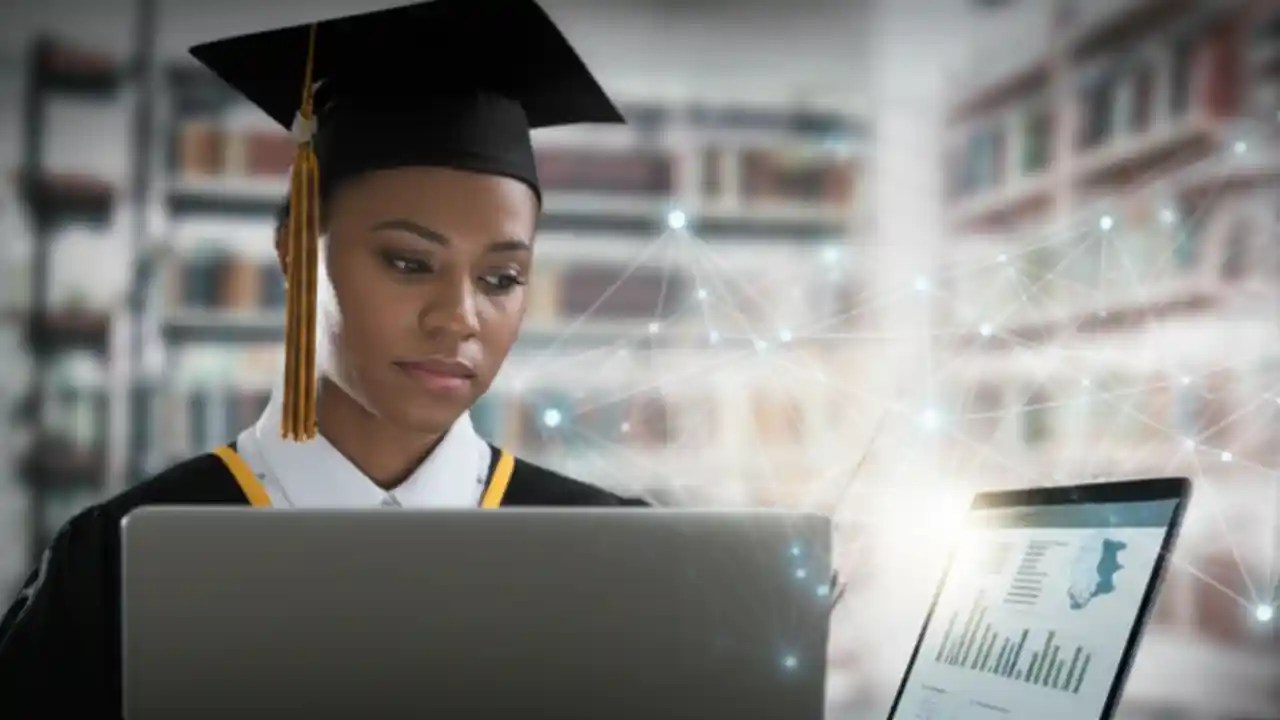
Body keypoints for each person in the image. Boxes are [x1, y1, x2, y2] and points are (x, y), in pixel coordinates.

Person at [0, 0, 648, 713]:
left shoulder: (614, 555)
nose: (459, 317)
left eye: (501, 279)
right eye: (408, 262)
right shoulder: (113, 565)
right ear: (294, 249)